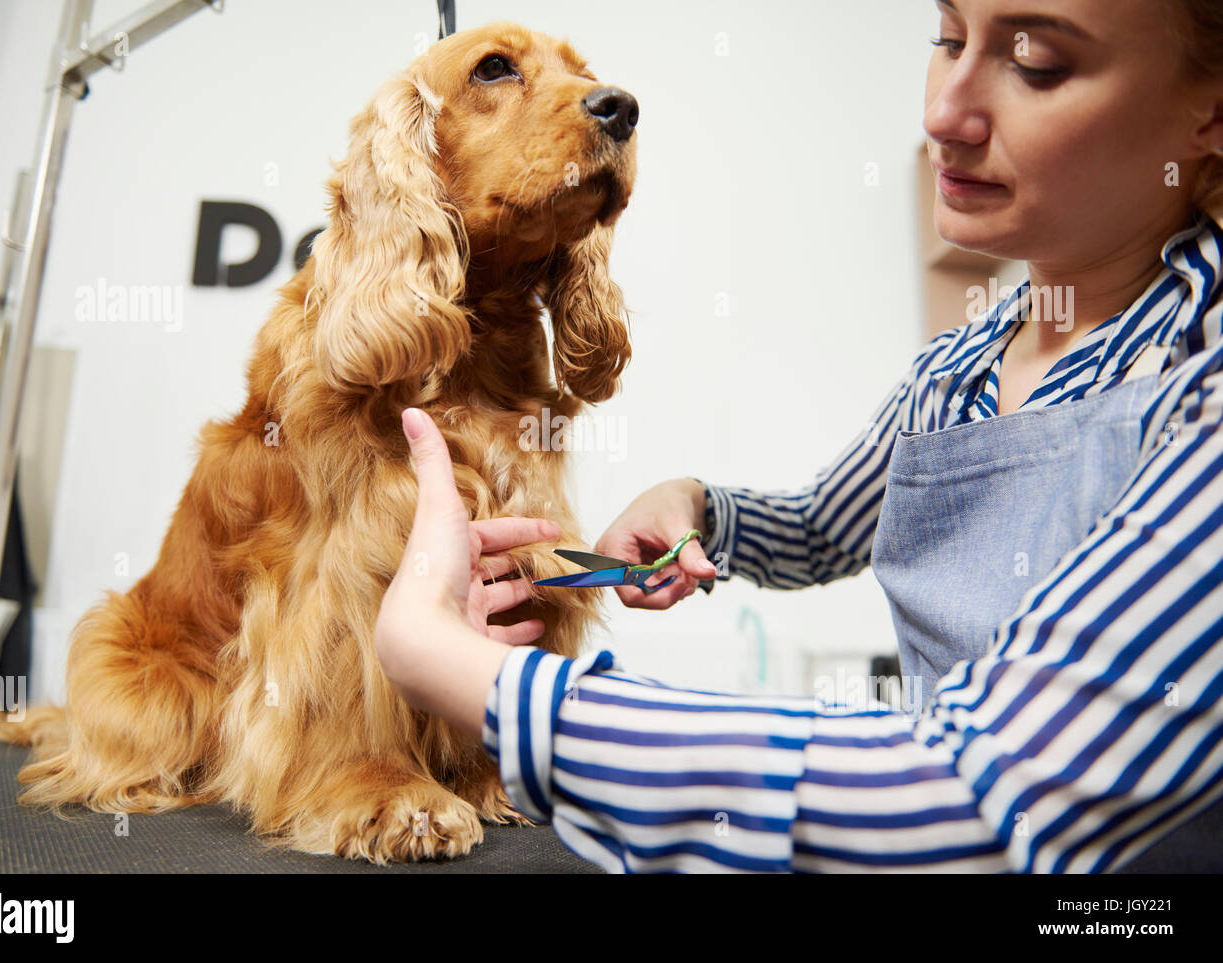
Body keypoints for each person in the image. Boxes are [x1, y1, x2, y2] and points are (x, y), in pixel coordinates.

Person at [374, 0, 1223, 872]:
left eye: (1036, 61)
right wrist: (702, 507)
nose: (941, 114)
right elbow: (822, 526)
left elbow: (971, 796)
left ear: (1212, 112)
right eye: (947, 41)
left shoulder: (1206, 379)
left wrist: (461, 671)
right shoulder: (960, 366)